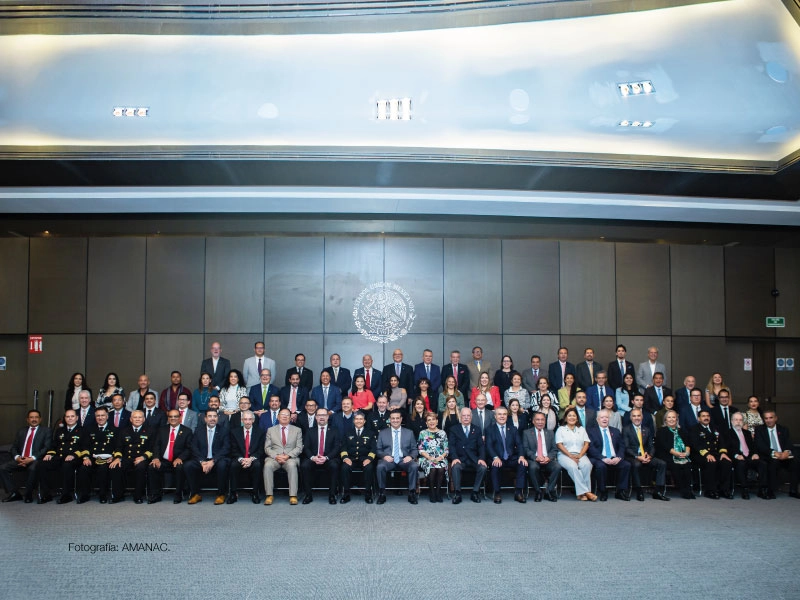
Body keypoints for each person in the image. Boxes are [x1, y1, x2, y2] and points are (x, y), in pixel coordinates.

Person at [0, 410, 52, 503]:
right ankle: (14, 493)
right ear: (27, 420)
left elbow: (46, 448)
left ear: (40, 419)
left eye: (36, 417)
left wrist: (31, 458)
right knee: (3, 468)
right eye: (31, 417)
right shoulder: (21, 431)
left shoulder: (46, 431)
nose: (34, 419)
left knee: (32, 469)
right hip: (21, 458)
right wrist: (18, 458)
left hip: (36, 459)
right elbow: (14, 447)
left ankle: (28, 494)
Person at [185, 409, 231, 505]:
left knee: (222, 465)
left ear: (217, 418)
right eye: (210, 416)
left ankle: (221, 494)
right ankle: (195, 494)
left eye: (214, 416)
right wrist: (202, 461)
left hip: (217, 459)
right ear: (205, 419)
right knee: (188, 465)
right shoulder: (198, 430)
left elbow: (226, 448)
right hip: (202, 459)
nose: (212, 419)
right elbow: (194, 447)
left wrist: (213, 461)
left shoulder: (224, 430)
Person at [623, 408, 669, 501]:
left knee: (662, 464)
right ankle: (639, 490)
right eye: (634, 416)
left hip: (646, 456)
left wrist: (650, 456)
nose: (637, 418)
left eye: (639, 416)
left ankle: (658, 491)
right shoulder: (626, 429)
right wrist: (637, 456)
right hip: (633, 456)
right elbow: (626, 448)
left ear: (642, 417)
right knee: (636, 464)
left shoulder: (646, 429)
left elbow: (651, 446)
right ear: (631, 418)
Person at [147, 409, 193, 504]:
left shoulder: (187, 431)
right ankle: (156, 495)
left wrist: (180, 458)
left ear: (180, 418)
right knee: (152, 466)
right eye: (171, 416)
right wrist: (156, 458)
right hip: (163, 460)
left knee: (180, 468)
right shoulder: (161, 430)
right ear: (168, 418)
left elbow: (189, 449)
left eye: (175, 416)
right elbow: (156, 445)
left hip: (178, 460)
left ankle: (178, 494)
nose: (173, 418)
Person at [485, 406, 528, 504]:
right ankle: (497, 492)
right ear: (495, 416)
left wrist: (521, 456)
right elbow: (489, 446)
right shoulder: (489, 429)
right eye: (499, 414)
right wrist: (495, 457)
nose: (502, 416)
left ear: (507, 416)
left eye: (504, 414)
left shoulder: (513, 429)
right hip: (497, 457)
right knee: (495, 465)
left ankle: (518, 492)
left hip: (511, 457)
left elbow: (519, 444)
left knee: (522, 463)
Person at [108, 410, 152, 504]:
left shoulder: (150, 431)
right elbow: (118, 447)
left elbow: (152, 448)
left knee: (141, 468)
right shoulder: (123, 431)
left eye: (140, 417)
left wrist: (143, 457)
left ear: (144, 419)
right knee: (115, 466)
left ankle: (138, 496)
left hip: (142, 458)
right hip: (126, 458)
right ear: (131, 419)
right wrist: (117, 458)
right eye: (135, 417)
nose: (137, 419)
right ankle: (118, 495)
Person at [376, 411, 419, 505]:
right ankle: (382, 493)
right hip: (389, 460)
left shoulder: (409, 433)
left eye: (397, 418)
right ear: (389, 420)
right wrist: (384, 456)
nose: (395, 420)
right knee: (380, 467)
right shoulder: (383, 433)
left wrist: (410, 456)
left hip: (404, 460)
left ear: (401, 419)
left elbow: (414, 449)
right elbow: (378, 450)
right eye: (393, 418)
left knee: (414, 466)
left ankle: (412, 493)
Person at [587, 408, 631, 501]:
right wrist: (603, 458)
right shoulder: (591, 431)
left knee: (626, 465)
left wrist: (619, 457)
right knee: (601, 466)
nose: (604, 419)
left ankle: (620, 491)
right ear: (597, 419)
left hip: (614, 457)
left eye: (606, 417)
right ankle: (603, 491)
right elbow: (591, 448)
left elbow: (622, 446)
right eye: (602, 417)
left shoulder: (615, 431)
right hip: (599, 458)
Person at [754, 410, 798, 499]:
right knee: (773, 463)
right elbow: (760, 445)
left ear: (776, 418)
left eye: (771, 418)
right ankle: (770, 491)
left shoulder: (784, 429)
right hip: (769, 456)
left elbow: (789, 443)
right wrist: (774, 453)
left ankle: (793, 490)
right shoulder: (759, 430)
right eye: (766, 418)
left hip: (784, 455)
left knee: (796, 462)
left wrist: (786, 452)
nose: (768, 420)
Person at [300, 408, 341, 505]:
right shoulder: (310, 431)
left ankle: (332, 495)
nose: (321, 417)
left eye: (324, 415)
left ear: (327, 417)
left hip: (329, 458)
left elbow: (336, 448)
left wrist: (326, 457)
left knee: (334, 466)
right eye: (319, 415)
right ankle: (308, 495)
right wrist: (312, 457)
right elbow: (306, 448)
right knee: (304, 465)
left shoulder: (335, 431)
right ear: (316, 417)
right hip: (313, 458)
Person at [689, 410, 733, 499]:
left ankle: (724, 490)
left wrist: (723, 453)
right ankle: (710, 490)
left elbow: (722, 442)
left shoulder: (715, 428)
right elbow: (696, 445)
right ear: (698, 418)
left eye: (707, 416)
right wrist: (707, 454)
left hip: (716, 454)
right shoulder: (694, 429)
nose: (706, 418)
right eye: (703, 416)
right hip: (701, 455)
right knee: (711, 463)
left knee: (726, 463)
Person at [263, 408, 303, 505]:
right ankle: (269, 495)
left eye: (287, 415)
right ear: (278, 417)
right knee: (267, 466)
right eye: (282, 414)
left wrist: (288, 456)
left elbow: (299, 447)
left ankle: (293, 495)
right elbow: (267, 448)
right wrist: (276, 456)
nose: (284, 416)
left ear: (290, 418)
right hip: (274, 458)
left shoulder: (297, 430)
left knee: (292, 466)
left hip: (290, 458)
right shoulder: (270, 430)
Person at [75, 406, 115, 503]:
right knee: (83, 468)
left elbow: (117, 446)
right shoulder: (89, 430)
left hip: (107, 458)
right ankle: (85, 494)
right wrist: (86, 457)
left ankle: (103, 495)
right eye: (98, 416)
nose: (100, 418)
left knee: (103, 469)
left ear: (107, 416)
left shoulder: (115, 430)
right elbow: (85, 446)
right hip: (92, 457)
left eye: (102, 415)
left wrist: (113, 457)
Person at [41, 409, 82, 504]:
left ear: (77, 418)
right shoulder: (60, 430)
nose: (70, 418)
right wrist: (50, 453)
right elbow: (54, 445)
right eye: (67, 417)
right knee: (42, 464)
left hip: (74, 458)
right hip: (59, 456)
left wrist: (74, 455)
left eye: (72, 416)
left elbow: (85, 447)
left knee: (66, 466)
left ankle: (66, 495)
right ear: (65, 418)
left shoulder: (82, 430)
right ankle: (46, 494)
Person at [555, 407, 595, 501]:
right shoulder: (561, 429)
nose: (571, 417)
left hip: (580, 454)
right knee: (573, 466)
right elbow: (559, 445)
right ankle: (586, 492)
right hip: (564, 455)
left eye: (574, 415)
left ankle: (582, 494)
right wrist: (570, 456)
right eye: (569, 416)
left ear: (577, 418)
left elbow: (586, 443)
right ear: (565, 418)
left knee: (587, 465)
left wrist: (580, 455)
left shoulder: (581, 429)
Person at [448, 407, 487, 504]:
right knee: (455, 467)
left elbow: (481, 446)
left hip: (474, 459)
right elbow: (451, 446)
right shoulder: (454, 429)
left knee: (483, 468)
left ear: (471, 417)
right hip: (460, 459)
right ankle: (457, 493)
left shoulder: (477, 429)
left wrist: (481, 458)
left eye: (468, 416)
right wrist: (455, 458)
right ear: (460, 417)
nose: (466, 418)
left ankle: (475, 492)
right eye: (464, 416)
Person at [655, 410, 695, 499]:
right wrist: (676, 454)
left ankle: (688, 489)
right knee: (675, 465)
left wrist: (686, 453)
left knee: (687, 465)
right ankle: (683, 490)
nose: (671, 419)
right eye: (669, 417)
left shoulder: (682, 431)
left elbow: (688, 443)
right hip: (668, 455)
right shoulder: (661, 431)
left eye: (673, 417)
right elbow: (664, 446)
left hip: (682, 455)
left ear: (677, 419)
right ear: (665, 420)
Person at [228, 410, 266, 504]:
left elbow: (261, 450)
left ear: (253, 420)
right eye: (245, 419)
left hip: (254, 458)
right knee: (233, 465)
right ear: (242, 420)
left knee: (257, 465)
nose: (248, 421)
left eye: (250, 419)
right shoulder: (234, 432)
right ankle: (233, 493)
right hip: (239, 457)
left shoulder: (260, 432)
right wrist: (242, 459)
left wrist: (250, 459)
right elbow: (233, 449)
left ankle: (255, 493)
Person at [339, 411, 377, 504]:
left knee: (369, 468)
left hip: (365, 459)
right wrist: (345, 458)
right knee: (344, 468)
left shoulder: (370, 433)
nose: (359, 421)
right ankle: (346, 494)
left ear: (364, 421)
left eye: (361, 419)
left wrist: (369, 459)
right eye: (357, 419)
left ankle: (368, 494)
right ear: (353, 421)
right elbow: (343, 447)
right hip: (351, 459)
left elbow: (374, 448)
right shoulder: (348, 433)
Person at [523, 411, 561, 502]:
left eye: (542, 420)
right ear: (533, 421)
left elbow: (554, 449)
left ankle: (549, 491)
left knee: (557, 466)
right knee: (532, 467)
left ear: (545, 421)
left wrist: (549, 457)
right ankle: (538, 491)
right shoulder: (527, 433)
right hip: (534, 459)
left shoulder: (550, 433)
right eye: (538, 420)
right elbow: (526, 449)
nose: (540, 422)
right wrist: (535, 457)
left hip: (547, 459)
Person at [727, 411, 764, 500]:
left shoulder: (747, 433)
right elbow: (727, 448)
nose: (738, 422)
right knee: (741, 464)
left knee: (762, 464)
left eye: (740, 420)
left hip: (749, 456)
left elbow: (753, 446)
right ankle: (744, 489)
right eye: (736, 420)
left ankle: (762, 489)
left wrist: (755, 453)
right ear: (732, 421)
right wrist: (736, 455)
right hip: (737, 457)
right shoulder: (727, 433)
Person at [417, 411, 449, 502]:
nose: (431, 422)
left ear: (437, 421)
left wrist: (441, 457)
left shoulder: (443, 433)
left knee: (441, 468)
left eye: (433, 419)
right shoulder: (423, 433)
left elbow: (446, 449)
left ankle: (438, 492)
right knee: (433, 468)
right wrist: (430, 458)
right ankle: (431, 492)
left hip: (440, 457)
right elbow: (420, 449)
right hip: (426, 458)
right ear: (426, 423)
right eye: (429, 420)